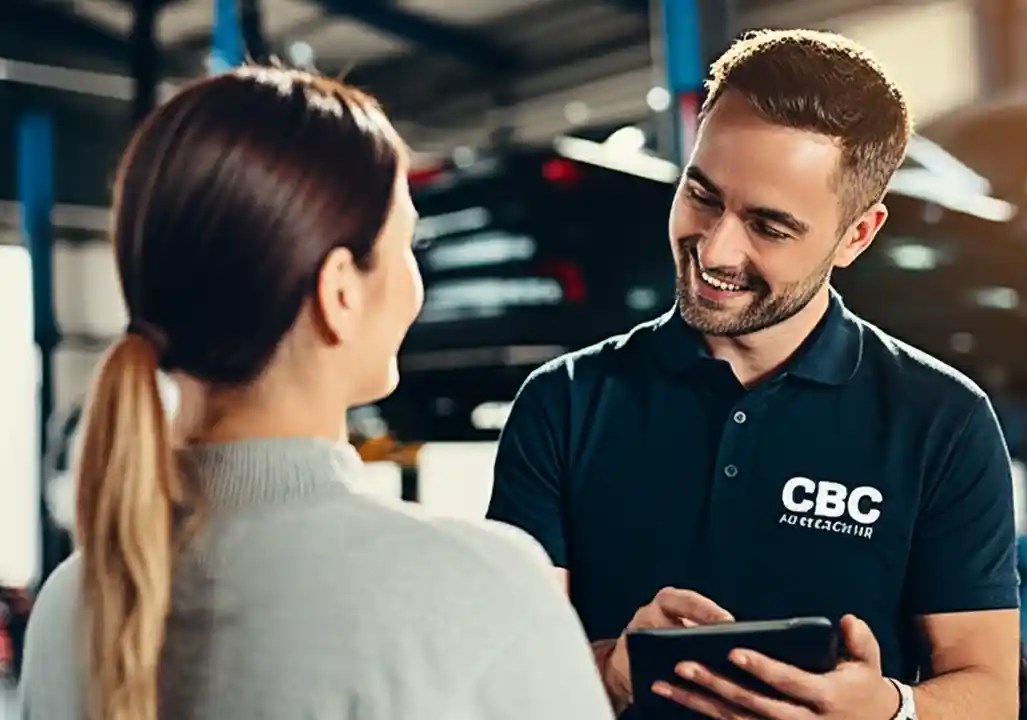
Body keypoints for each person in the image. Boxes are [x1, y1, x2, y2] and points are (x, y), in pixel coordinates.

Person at [18, 66, 612, 720]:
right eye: (405, 245)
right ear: (339, 292)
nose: (416, 283)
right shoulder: (481, 589)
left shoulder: (73, 604)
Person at [487, 29, 1020, 720]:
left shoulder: (942, 421)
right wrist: (613, 670)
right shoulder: (564, 404)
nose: (715, 248)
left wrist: (890, 711)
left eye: (769, 226)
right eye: (703, 195)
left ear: (856, 235)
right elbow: (506, 681)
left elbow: (988, 692)